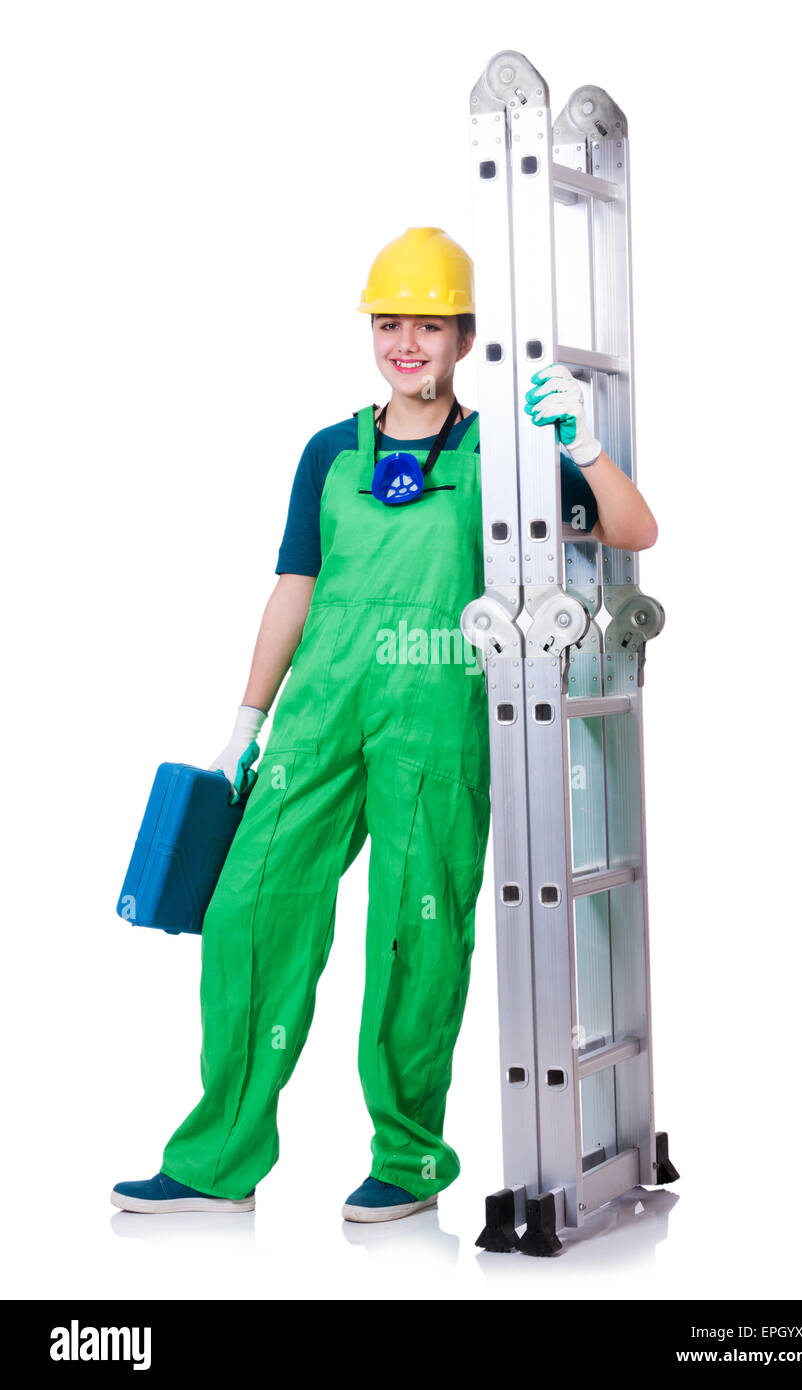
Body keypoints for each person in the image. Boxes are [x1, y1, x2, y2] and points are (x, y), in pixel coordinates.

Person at [111, 227, 657, 1222]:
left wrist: (580, 446)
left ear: (464, 337)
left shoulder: (505, 450)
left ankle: (406, 1161)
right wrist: (245, 721)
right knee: (248, 912)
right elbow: (294, 586)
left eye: (430, 325)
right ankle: (216, 1159)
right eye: (390, 322)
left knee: (418, 938)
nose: (407, 342)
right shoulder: (329, 449)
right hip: (317, 720)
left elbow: (633, 528)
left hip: (436, 724)